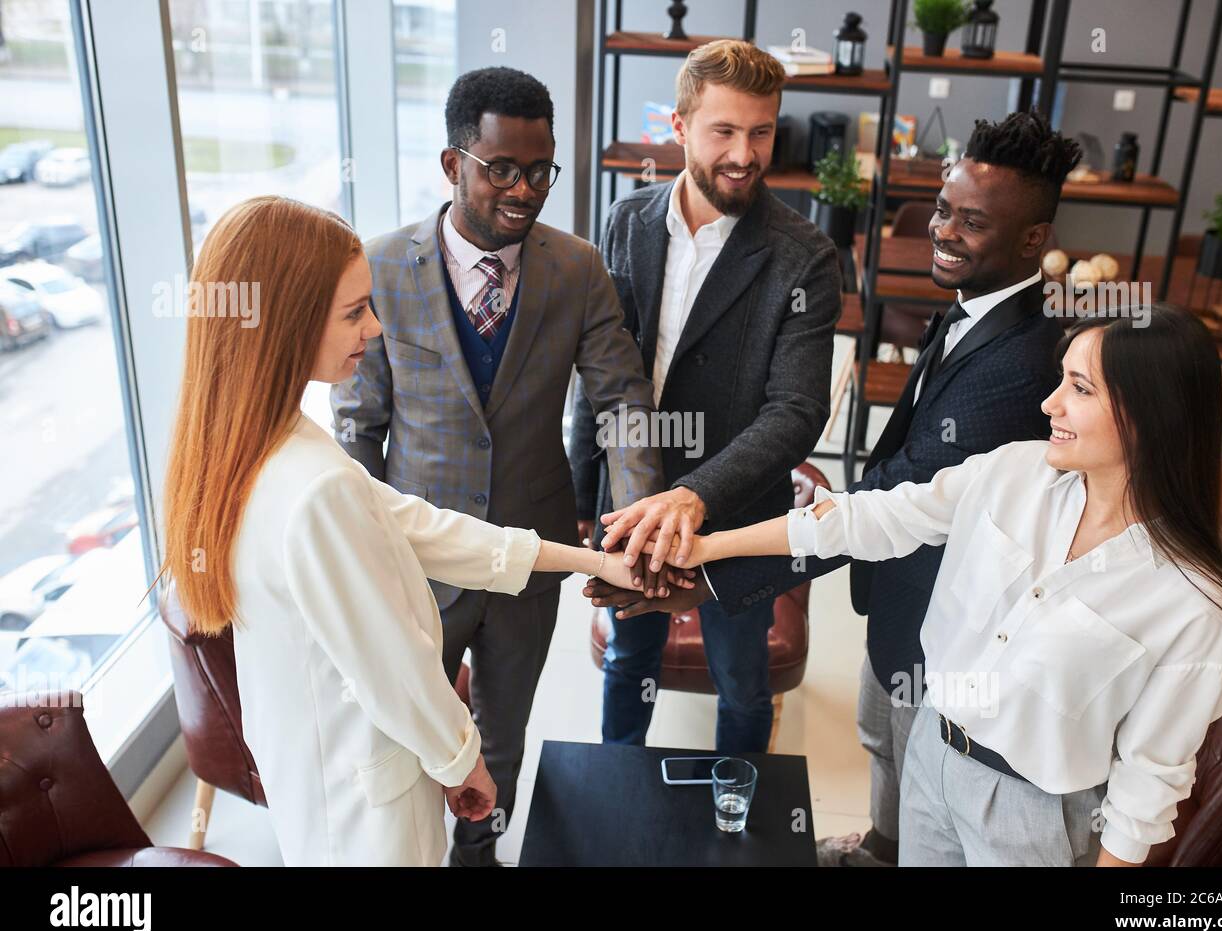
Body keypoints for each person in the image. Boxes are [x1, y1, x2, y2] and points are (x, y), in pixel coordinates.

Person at [590, 110, 1076, 863]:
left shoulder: (1016, 368)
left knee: (926, 798)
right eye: (943, 209)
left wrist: (713, 577)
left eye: (971, 223)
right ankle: (876, 849)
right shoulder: (972, 314)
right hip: (902, 610)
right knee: (884, 752)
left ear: (1033, 240)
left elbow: (889, 507)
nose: (943, 231)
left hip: (948, 633)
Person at [656, 303, 1222, 866]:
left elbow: (1151, 780)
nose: (1050, 403)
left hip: (1034, 817)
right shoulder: (1014, 470)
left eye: (1080, 389)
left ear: (1153, 412)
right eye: (1060, 380)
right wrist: (709, 547)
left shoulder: (1193, 605)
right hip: (933, 752)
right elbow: (872, 517)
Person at [158, 196, 649, 867]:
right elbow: (390, 665)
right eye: (355, 311)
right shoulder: (314, 487)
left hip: (315, 770)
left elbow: (416, 524)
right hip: (368, 806)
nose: (379, 327)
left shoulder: (255, 444)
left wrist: (586, 561)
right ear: (287, 322)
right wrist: (463, 761)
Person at [331, 67, 669, 866]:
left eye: (541, 169)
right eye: (502, 169)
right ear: (454, 165)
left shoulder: (577, 268)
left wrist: (634, 519)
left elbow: (622, 402)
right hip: (416, 560)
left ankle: (477, 854)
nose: (525, 190)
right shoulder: (379, 267)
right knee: (405, 726)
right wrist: (363, 551)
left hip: (532, 545)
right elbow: (357, 428)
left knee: (503, 728)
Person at [571, 39, 840, 754]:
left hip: (734, 515)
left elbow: (797, 412)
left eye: (761, 132)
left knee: (743, 680)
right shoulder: (627, 221)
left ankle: (740, 822)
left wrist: (693, 496)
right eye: (724, 131)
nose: (745, 154)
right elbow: (598, 369)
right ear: (680, 127)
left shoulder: (805, 256)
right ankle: (616, 791)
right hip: (629, 496)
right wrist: (577, 492)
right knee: (629, 661)